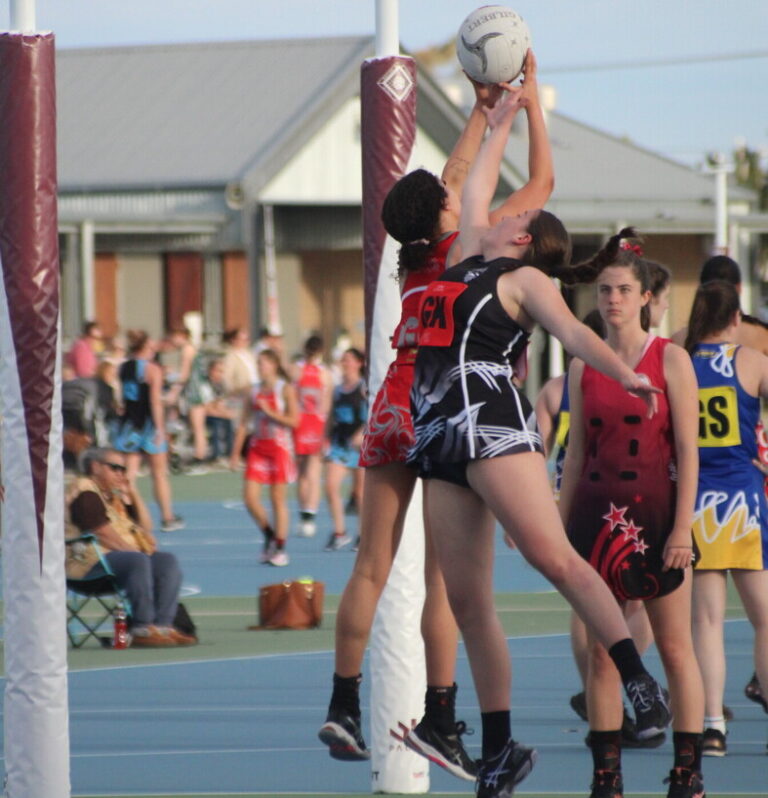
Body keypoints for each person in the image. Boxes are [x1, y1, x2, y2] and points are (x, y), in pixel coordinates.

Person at [406, 87, 671, 798]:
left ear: (521, 237)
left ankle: (638, 680)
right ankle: (499, 749)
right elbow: (481, 184)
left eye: (516, 214)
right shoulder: (463, 255)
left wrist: (628, 372)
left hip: (490, 421)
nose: (504, 208)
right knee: (469, 603)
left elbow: (578, 336)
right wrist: (499, 119)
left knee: (557, 559)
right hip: (438, 435)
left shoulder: (521, 278)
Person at [319, 53, 554, 781]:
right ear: (447, 216)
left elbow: (450, 178)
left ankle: (343, 704)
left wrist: (485, 111)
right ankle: (445, 714)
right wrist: (528, 106)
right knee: (451, 578)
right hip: (440, 403)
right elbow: (540, 188)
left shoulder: (416, 244)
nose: (458, 195)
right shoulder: (465, 247)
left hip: (392, 396)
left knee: (372, 564)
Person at [559, 235, 705, 798]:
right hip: (595, 521)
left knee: (673, 648)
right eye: (604, 290)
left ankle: (687, 772)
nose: (613, 299)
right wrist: (560, 526)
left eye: (623, 290)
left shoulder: (671, 358)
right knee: (601, 652)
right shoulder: (581, 365)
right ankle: (606, 777)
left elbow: (689, 451)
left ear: (646, 296)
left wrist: (682, 529)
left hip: (657, 517)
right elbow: (574, 455)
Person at [684, 280, 768, 757]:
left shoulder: (680, 362)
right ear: (736, 318)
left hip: (697, 503)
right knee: (764, 621)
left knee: (707, 622)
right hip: (745, 502)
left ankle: (712, 725)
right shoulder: (751, 362)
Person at [67, 448, 197, 646]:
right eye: (115, 468)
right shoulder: (86, 492)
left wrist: (133, 490)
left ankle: (163, 626)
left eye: (124, 470)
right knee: (138, 559)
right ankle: (142, 627)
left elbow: (146, 527)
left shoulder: (113, 498)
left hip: (117, 563)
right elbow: (102, 533)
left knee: (165, 560)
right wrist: (137, 553)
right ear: (95, 467)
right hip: (87, 566)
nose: (121, 474)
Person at [111, 330, 184, 533]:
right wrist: (161, 429)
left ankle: (126, 516)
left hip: (129, 424)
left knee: (129, 476)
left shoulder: (123, 367)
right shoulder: (152, 369)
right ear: (145, 347)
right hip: (149, 425)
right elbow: (155, 402)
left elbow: (120, 399)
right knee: (159, 474)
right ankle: (167, 517)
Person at [237, 348, 298, 567]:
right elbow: (244, 422)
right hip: (257, 448)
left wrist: (270, 412)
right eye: (258, 363)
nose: (260, 367)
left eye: (263, 363)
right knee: (250, 498)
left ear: (273, 364)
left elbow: (294, 421)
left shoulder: (285, 389)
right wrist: (235, 453)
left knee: (277, 499)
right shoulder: (253, 391)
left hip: (279, 448)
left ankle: (280, 547)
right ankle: (269, 534)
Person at [323, 348, 367, 552]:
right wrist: (324, 437)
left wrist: (362, 433)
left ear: (359, 363)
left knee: (360, 493)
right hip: (340, 444)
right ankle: (339, 532)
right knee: (331, 486)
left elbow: (374, 412)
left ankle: (363, 534)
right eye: (343, 360)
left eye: (349, 360)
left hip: (359, 445)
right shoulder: (338, 389)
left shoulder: (363, 387)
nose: (345, 363)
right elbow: (331, 414)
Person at [291, 335, 333, 538]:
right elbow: (327, 404)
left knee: (306, 474)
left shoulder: (298, 370)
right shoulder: (324, 373)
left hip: (306, 423)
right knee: (309, 474)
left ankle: (306, 516)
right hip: (311, 423)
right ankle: (307, 516)